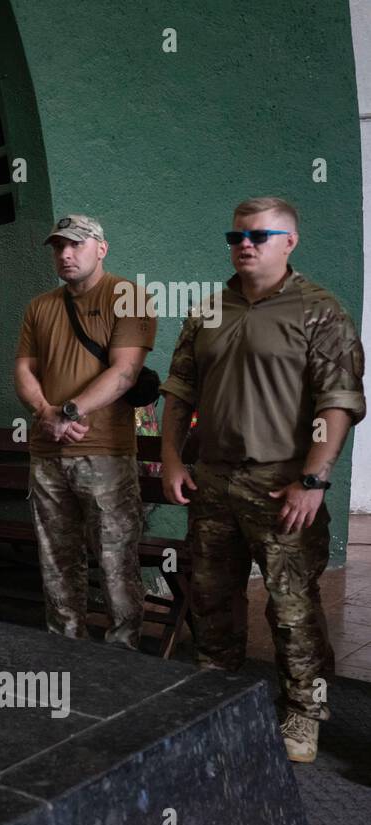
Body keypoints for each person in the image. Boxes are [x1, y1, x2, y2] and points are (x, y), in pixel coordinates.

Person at [160, 196, 365, 763]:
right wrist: (174, 462)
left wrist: (314, 479)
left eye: (259, 235)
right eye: (236, 236)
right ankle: (216, 692)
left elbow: (338, 404)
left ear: (290, 241)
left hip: (283, 487)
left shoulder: (319, 310)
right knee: (210, 597)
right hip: (213, 484)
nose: (244, 244)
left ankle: (303, 710)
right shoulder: (207, 309)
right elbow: (178, 394)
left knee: (291, 606)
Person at [14, 214, 156, 649]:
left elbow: (126, 372)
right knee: (57, 560)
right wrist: (44, 410)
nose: (66, 254)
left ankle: (123, 651)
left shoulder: (127, 296)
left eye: (76, 244)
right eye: (59, 246)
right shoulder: (41, 306)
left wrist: (69, 411)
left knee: (115, 561)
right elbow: (23, 368)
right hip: (48, 453)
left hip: (104, 455)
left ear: (102, 248)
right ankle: (67, 645)